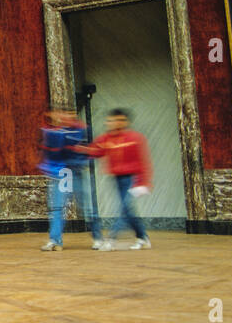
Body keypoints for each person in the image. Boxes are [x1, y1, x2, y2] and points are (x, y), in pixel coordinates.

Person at [80, 108, 153, 250]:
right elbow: (95, 151)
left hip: (133, 178)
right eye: (110, 120)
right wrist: (78, 151)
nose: (112, 123)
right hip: (117, 178)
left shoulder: (135, 138)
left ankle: (111, 239)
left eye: (117, 120)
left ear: (125, 122)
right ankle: (142, 237)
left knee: (124, 208)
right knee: (128, 210)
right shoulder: (106, 138)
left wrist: (143, 182)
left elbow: (144, 162)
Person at [37, 107, 103, 251]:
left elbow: (88, 150)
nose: (64, 117)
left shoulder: (81, 130)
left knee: (87, 207)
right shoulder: (56, 132)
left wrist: (81, 153)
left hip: (77, 172)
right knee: (57, 207)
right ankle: (55, 240)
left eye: (69, 114)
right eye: (63, 114)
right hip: (61, 173)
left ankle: (98, 239)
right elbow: (50, 151)